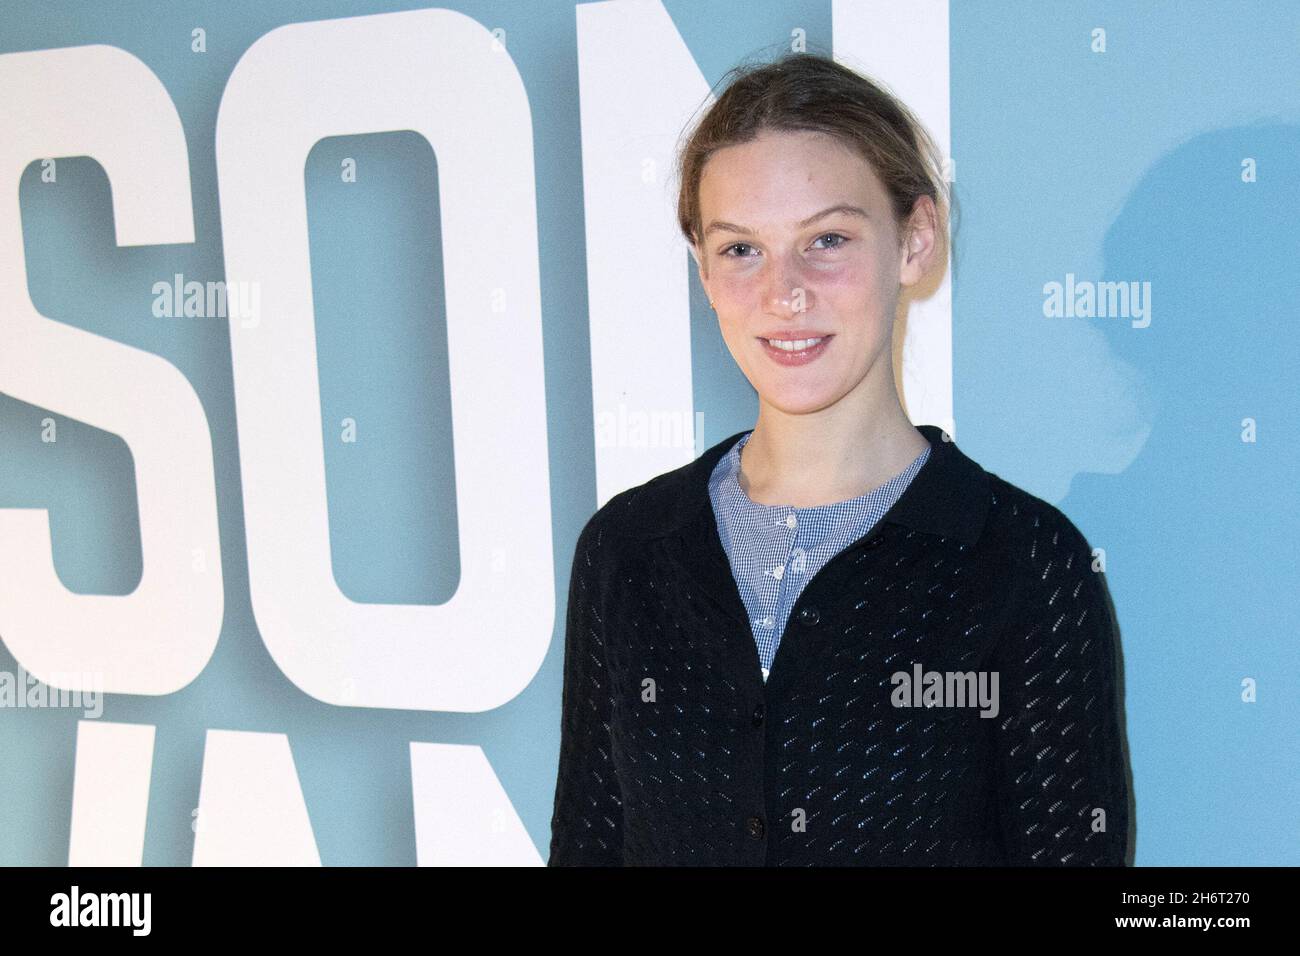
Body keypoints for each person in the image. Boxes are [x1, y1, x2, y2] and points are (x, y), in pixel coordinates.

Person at [548, 51, 1130, 866]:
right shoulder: (627, 549)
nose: (784, 293)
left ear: (915, 241)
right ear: (702, 266)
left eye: (827, 239)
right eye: (742, 249)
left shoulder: (1025, 562)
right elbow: (589, 845)